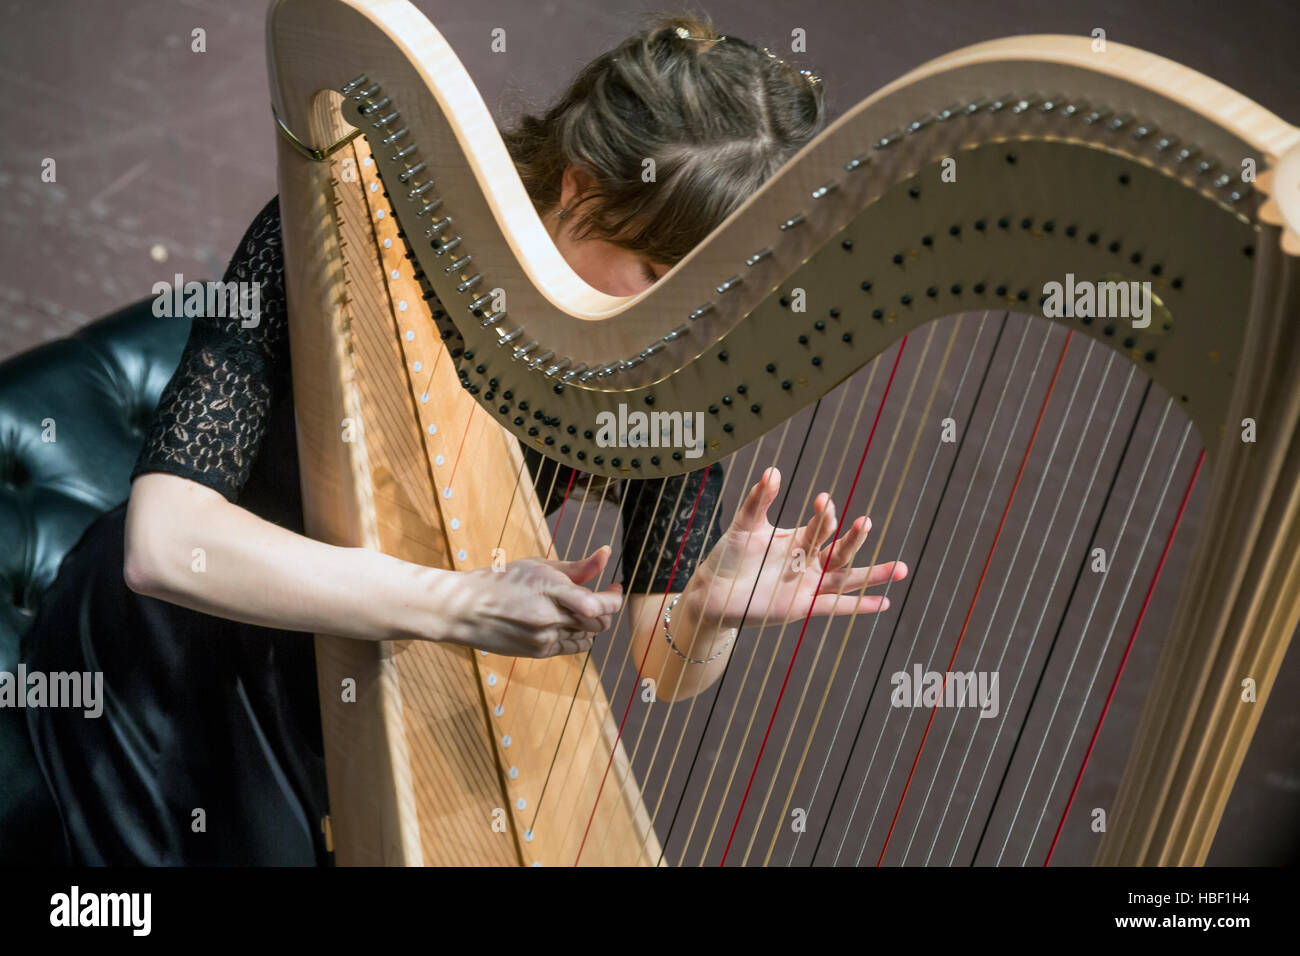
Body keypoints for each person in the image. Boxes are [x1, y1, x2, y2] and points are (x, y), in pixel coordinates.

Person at [21, 16, 905, 866]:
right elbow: (166, 544)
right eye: (658, 278)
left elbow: (659, 658)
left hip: (384, 669)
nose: (687, 328)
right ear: (582, 188)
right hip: (188, 658)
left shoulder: (672, 360)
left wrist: (705, 613)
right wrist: (452, 602)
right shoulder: (349, 223)